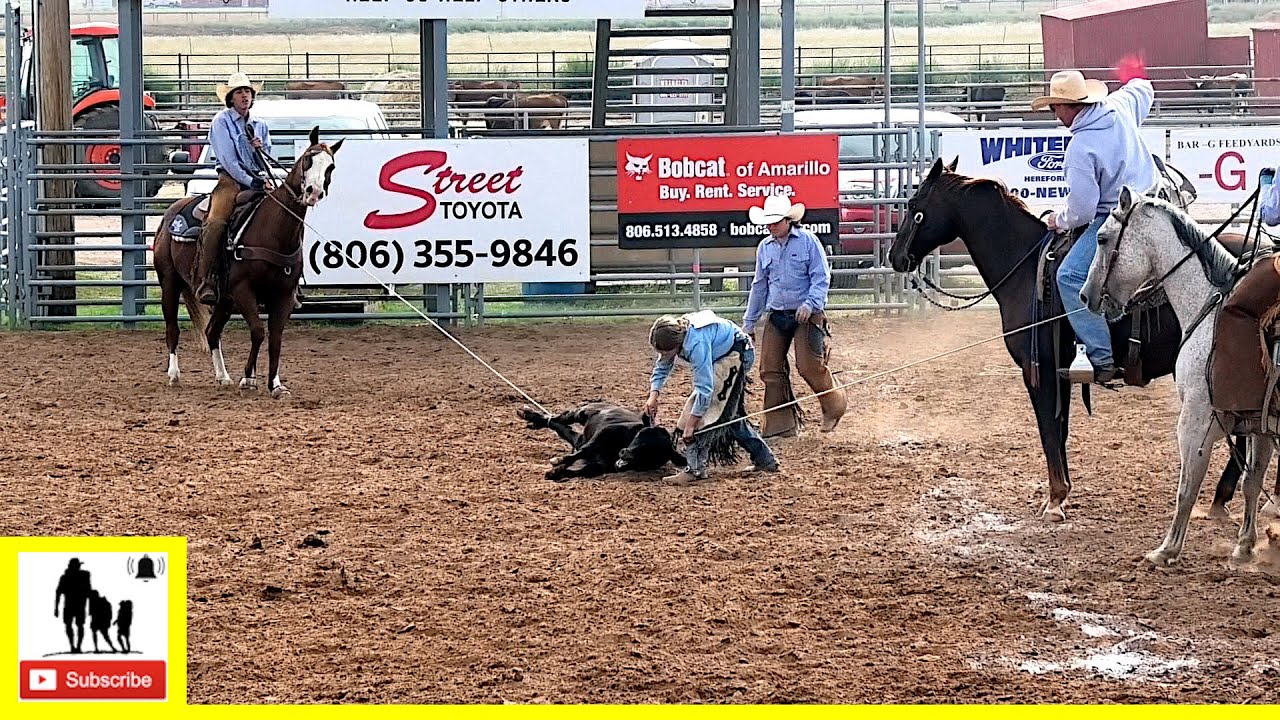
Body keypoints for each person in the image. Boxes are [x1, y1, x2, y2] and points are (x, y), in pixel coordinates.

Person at [1032, 69, 1159, 384]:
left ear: (1067, 107)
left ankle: (1101, 358)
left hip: (1119, 217)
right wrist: (1132, 74)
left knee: (1070, 276)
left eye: (1054, 107)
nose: (1054, 113)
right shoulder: (1119, 104)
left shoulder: (1080, 148)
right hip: (1158, 202)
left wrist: (1057, 221)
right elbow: (1144, 87)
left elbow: (1083, 211)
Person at [741, 194, 847, 438]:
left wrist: (810, 304)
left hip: (807, 315)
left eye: (776, 221)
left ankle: (834, 405)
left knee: (809, 366)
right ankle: (780, 424)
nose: (771, 226)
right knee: (770, 368)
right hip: (777, 313)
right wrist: (749, 323)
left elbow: (821, 276)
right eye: (769, 222)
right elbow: (759, 286)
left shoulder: (809, 241)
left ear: (789, 220)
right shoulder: (764, 247)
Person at [643, 311, 779, 483]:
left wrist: (690, 425)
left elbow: (705, 389)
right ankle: (765, 459)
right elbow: (663, 365)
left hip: (736, 355)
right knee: (728, 416)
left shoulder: (696, 344)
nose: (662, 356)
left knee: (710, 413)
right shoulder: (678, 336)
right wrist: (653, 394)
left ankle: (695, 469)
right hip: (727, 351)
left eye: (665, 352)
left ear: (676, 346)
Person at [193, 72, 272, 307]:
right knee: (217, 221)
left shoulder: (260, 125)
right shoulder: (221, 122)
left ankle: (288, 280)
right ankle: (206, 279)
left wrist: (259, 151)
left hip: (257, 178)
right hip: (230, 180)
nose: (245, 95)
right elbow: (228, 160)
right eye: (239, 92)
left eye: (248, 91)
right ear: (231, 98)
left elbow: (267, 156)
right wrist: (252, 181)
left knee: (282, 215)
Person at [54, 558, 92, 654]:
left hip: (75, 605)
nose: (79, 566)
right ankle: (74, 646)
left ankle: (76, 646)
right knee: (73, 625)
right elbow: (58, 592)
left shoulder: (83, 575)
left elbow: (88, 591)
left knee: (76, 625)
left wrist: (56, 607)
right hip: (75, 605)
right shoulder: (81, 576)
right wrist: (56, 607)